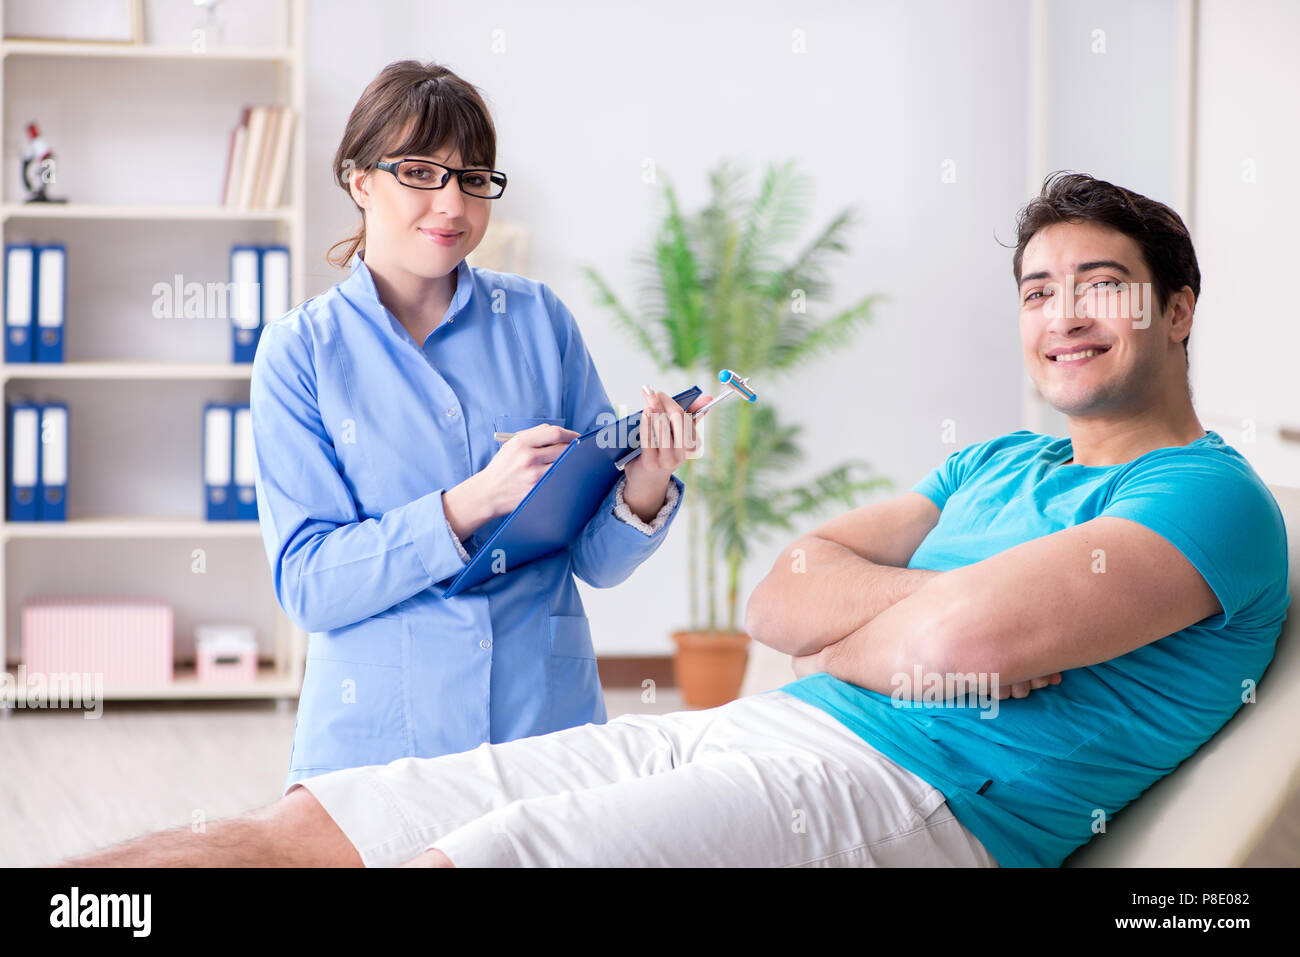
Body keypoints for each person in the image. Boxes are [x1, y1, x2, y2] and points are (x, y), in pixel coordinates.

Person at [61, 172, 1288, 868]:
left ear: (1177, 310)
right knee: (307, 828)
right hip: (765, 725)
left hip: (913, 804)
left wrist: (906, 626)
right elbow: (779, 597)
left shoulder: (1206, 496)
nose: (1061, 316)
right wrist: (923, 624)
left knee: (471, 862)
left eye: (1100, 288)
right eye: (1036, 292)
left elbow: (947, 654)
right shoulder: (998, 464)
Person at [249, 60, 712, 792]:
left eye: (472, 178)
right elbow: (310, 585)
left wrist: (648, 479)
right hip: (377, 747)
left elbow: (597, 560)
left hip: (543, 730)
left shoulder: (538, 320)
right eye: (421, 172)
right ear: (359, 180)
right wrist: (474, 500)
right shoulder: (299, 353)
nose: (452, 202)